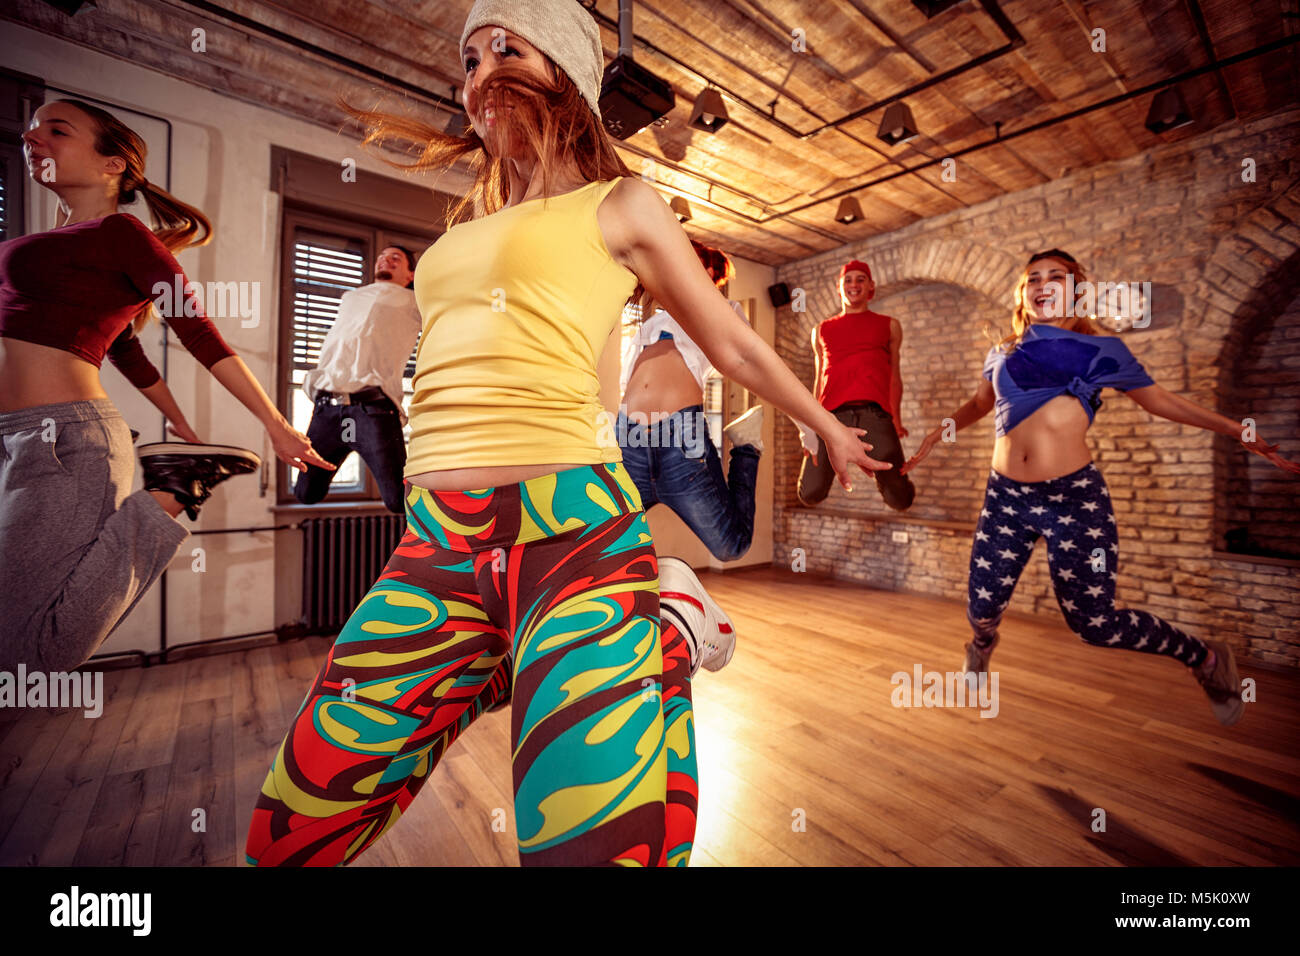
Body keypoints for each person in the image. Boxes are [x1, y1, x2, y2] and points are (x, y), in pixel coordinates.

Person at [244, 0, 887, 868]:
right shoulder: (465, 225)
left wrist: (822, 427)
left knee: (584, 845)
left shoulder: (618, 203)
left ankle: (654, 621)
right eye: (469, 60)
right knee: (292, 824)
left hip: (572, 530)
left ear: (570, 74)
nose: (480, 75)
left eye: (506, 47)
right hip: (437, 539)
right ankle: (661, 622)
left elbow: (733, 342)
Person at [0, 98, 332, 673]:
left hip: (64, 444)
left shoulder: (122, 234)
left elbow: (199, 333)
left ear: (113, 165)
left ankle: (174, 492)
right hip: (16, 439)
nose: (34, 140)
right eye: (30, 132)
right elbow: (123, 346)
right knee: (12, 629)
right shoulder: (59, 243)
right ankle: (181, 475)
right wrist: (177, 419)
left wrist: (277, 425)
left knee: (32, 655)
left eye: (56, 130)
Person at [901, 249, 1300, 727]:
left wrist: (1239, 431)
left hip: (1075, 497)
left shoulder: (1103, 349)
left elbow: (1162, 402)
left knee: (1095, 624)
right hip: (1005, 496)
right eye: (1033, 279)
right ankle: (982, 646)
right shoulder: (1002, 352)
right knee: (981, 606)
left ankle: (1207, 659)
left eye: (1056, 276)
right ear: (1023, 294)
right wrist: (937, 431)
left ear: (1076, 290)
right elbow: (979, 403)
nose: (1042, 284)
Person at [618, 239, 761, 564]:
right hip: (628, 437)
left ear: (709, 271)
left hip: (680, 438)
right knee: (603, 543)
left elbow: (752, 363)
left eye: (690, 260)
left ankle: (747, 447)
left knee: (730, 545)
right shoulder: (652, 310)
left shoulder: (725, 311)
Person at [295, 245, 422, 513]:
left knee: (398, 501)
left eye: (395, 258)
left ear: (410, 274)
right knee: (306, 494)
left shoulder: (415, 302)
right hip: (327, 408)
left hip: (372, 408)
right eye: (381, 258)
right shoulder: (351, 297)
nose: (385, 261)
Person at [798, 258, 916, 511]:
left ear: (870, 286)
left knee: (900, 499)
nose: (854, 285)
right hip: (830, 417)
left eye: (860, 279)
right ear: (839, 288)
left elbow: (895, 375)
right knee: (810, 493)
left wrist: (896, 419)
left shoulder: (890, 325)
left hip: (875, 414)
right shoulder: (820, 330)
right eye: (847, 280)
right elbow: (819, 379)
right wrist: (811, 425)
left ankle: (880, 472)